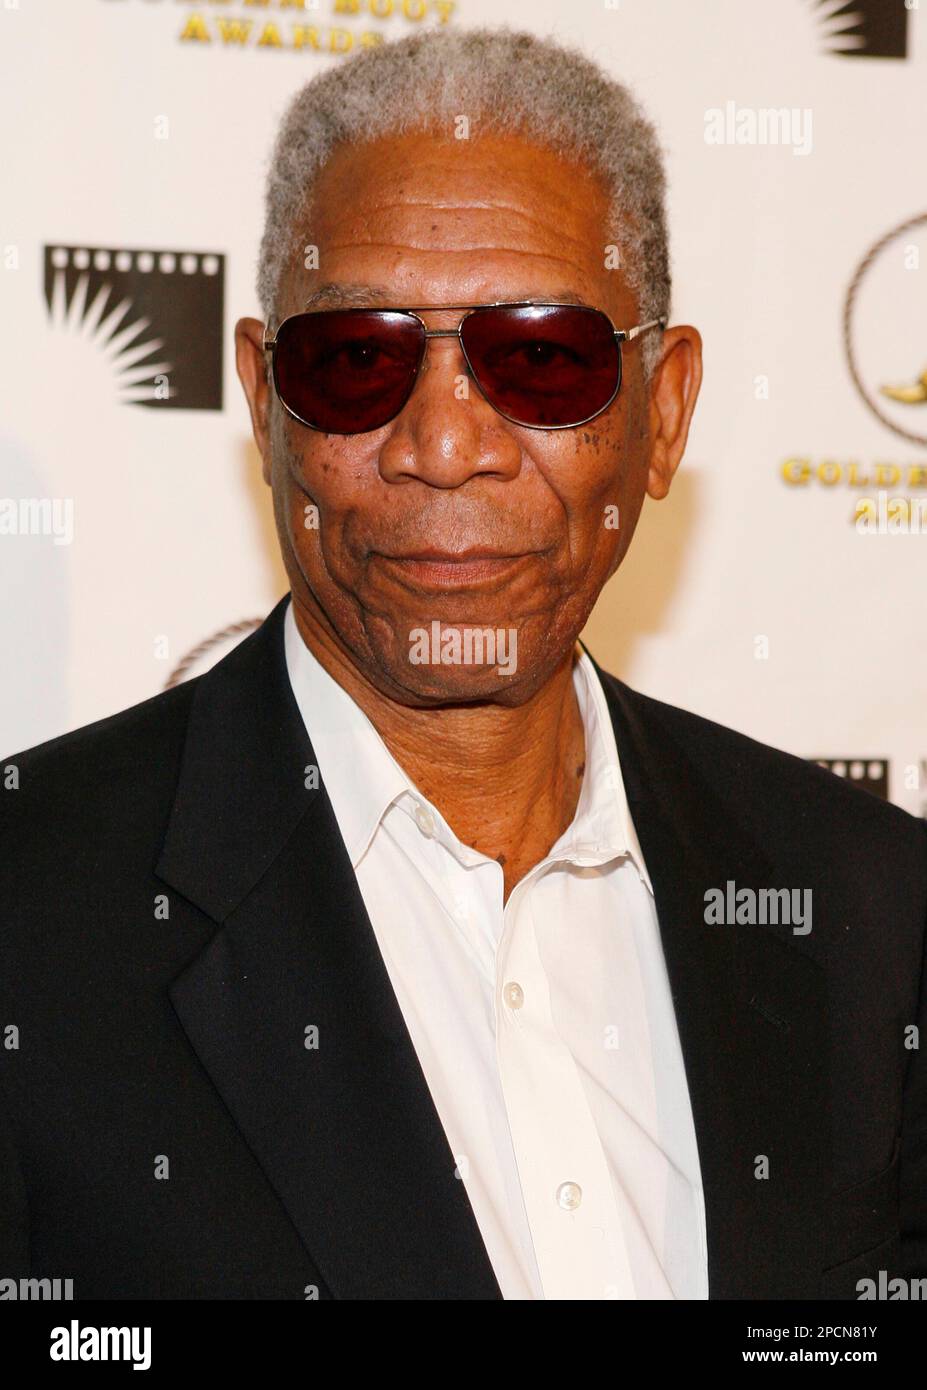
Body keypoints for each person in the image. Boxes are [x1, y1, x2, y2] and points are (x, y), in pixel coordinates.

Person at [2, 27, 925, 1301]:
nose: (444, 444)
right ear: (265, 401)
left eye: (541, 358)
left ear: (664, 414)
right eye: (359, 360)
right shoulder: (32, 915)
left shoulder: (870, 909)